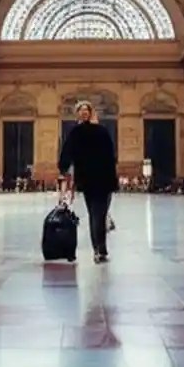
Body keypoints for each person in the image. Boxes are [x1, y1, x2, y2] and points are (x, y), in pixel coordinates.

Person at [57, 102, 118, 263]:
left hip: (93, 178)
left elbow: (67, 152)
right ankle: (100, 249)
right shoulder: (96, 132)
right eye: (81, 111)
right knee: (98, 214)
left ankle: (99, 249)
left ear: (90, 113)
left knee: (95, 214)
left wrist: (64, 168)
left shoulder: (78, 133)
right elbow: (111, 156)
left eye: (86, 111)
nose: (84, 114)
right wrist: (64, 170)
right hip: (98, 179)